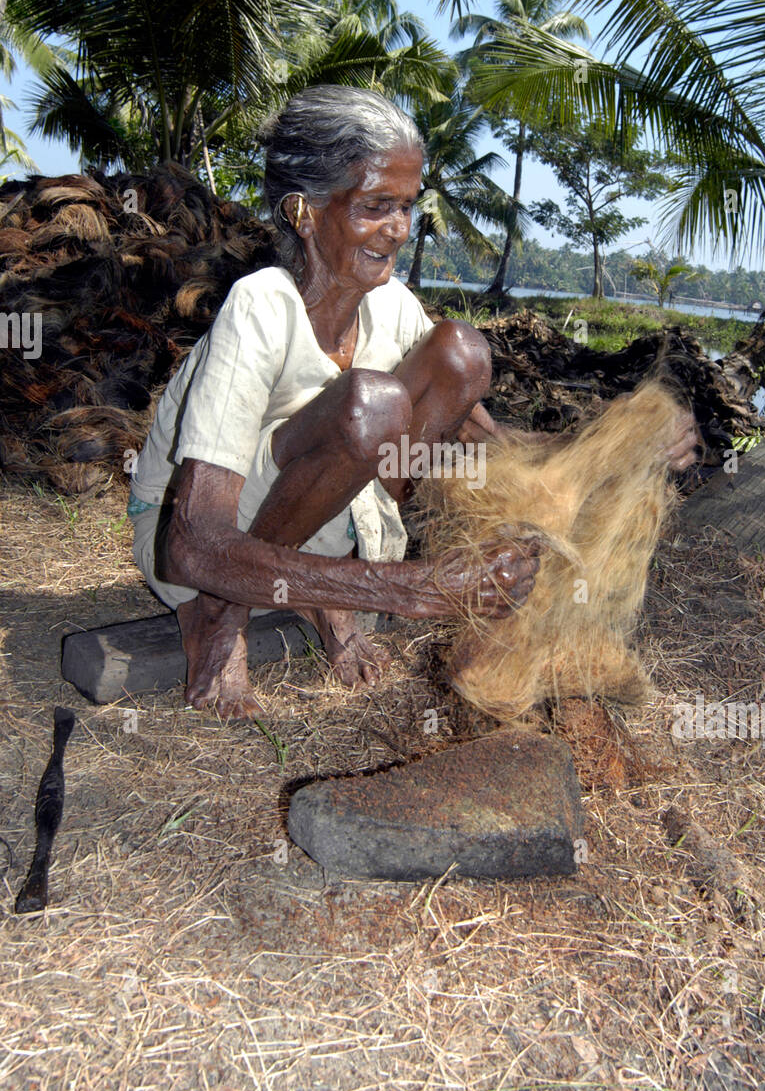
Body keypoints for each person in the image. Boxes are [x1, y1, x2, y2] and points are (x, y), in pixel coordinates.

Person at [128, 86, 697, 719]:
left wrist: (623, 442)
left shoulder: (390, 305)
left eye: (406, 207)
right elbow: (192, 543)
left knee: (461, 354)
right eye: (375, 207)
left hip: (306, 535)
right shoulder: (263, 304)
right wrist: (415, 590)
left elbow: (494, 448)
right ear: (304, 212)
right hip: (202, 551)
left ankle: (325, 593)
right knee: (371, 405)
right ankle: (219, 622)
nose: (398, 230)